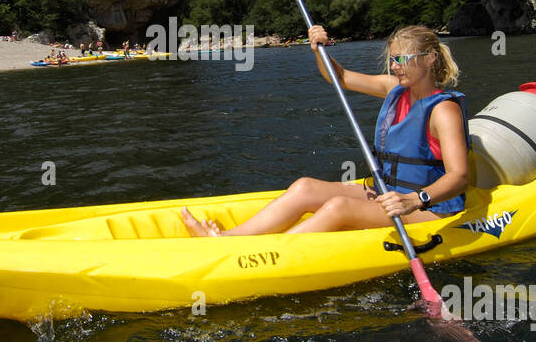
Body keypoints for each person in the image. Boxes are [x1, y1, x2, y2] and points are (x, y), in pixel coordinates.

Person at [182, 24, 469, 237]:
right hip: (388, 192)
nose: (396, 67)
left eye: (403, 59)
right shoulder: (393, 89)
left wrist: (413, 200)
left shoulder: (443, 111)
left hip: (429, 209)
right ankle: (227, 239)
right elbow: (339, 77)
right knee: (305, 187)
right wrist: (319, 49)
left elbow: (459, 176)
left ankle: (257, 254)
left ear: (430, 58)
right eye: (393, 59)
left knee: (339, 207)